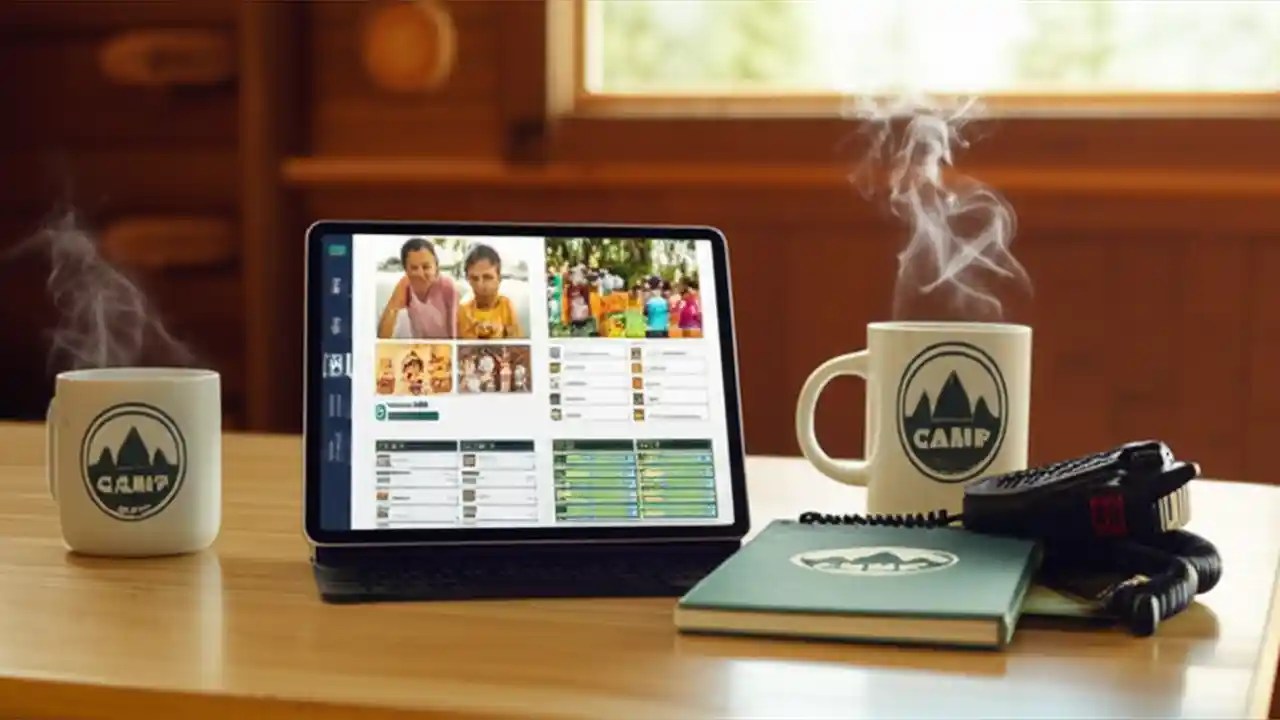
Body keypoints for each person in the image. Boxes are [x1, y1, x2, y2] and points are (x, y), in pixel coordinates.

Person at [378, 238, 457, 339]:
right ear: (406, 269)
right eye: (414, 268)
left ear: (436, 266)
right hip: (419, 349)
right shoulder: (406, 285)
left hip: (445, 350)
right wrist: (394, 304)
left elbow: (454, 337)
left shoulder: (447, 287)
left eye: (426, 267)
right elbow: (383, 336)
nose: (420, 274)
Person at [458, 244, 524, 339]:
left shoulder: (506, 305)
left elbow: (518, 342)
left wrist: (502, 331)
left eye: (487, 277)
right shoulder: (464, 310)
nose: (480, 284)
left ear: (499, 279)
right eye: (474, 278)